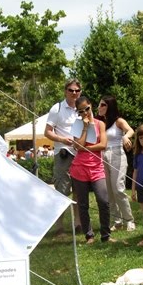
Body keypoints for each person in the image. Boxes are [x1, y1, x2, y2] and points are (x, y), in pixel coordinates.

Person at [70, 96, 110, 244]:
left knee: (103, 201)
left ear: (91, 106)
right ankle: (89, 235)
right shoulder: (77, 125)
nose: (85, 113)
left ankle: (106, 235)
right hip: (79, 169)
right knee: (83, 204)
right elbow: (77, 146)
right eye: (81, 111)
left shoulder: (100, 124)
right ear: (78, 112)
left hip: (97, 168)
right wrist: (85, 128)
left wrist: (85, 147)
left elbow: (103, 145)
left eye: (87, 109)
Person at [45, 79, 82, 235]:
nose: (74, 93)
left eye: (77, 90)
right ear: (65, 91)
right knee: (62, 191)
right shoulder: (57, 108)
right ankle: (59, 227)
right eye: (71, 90)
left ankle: (78, 224)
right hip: (64, 154)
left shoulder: (83, 108)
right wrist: (62, 139)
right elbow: (47, 132)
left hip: (80, 154)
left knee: (79, 190)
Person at [98, 96, 136, 232]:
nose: (99, 107)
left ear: (110, 106)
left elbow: (130, 130)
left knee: (118, 188)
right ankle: (117, 220)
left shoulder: (118, 121)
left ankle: (129, 220)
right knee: (108, 190)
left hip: (117, 154)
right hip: (103, 155)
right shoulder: (100, 122)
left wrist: (125, 136)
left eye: (103, 105)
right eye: (99, 104)